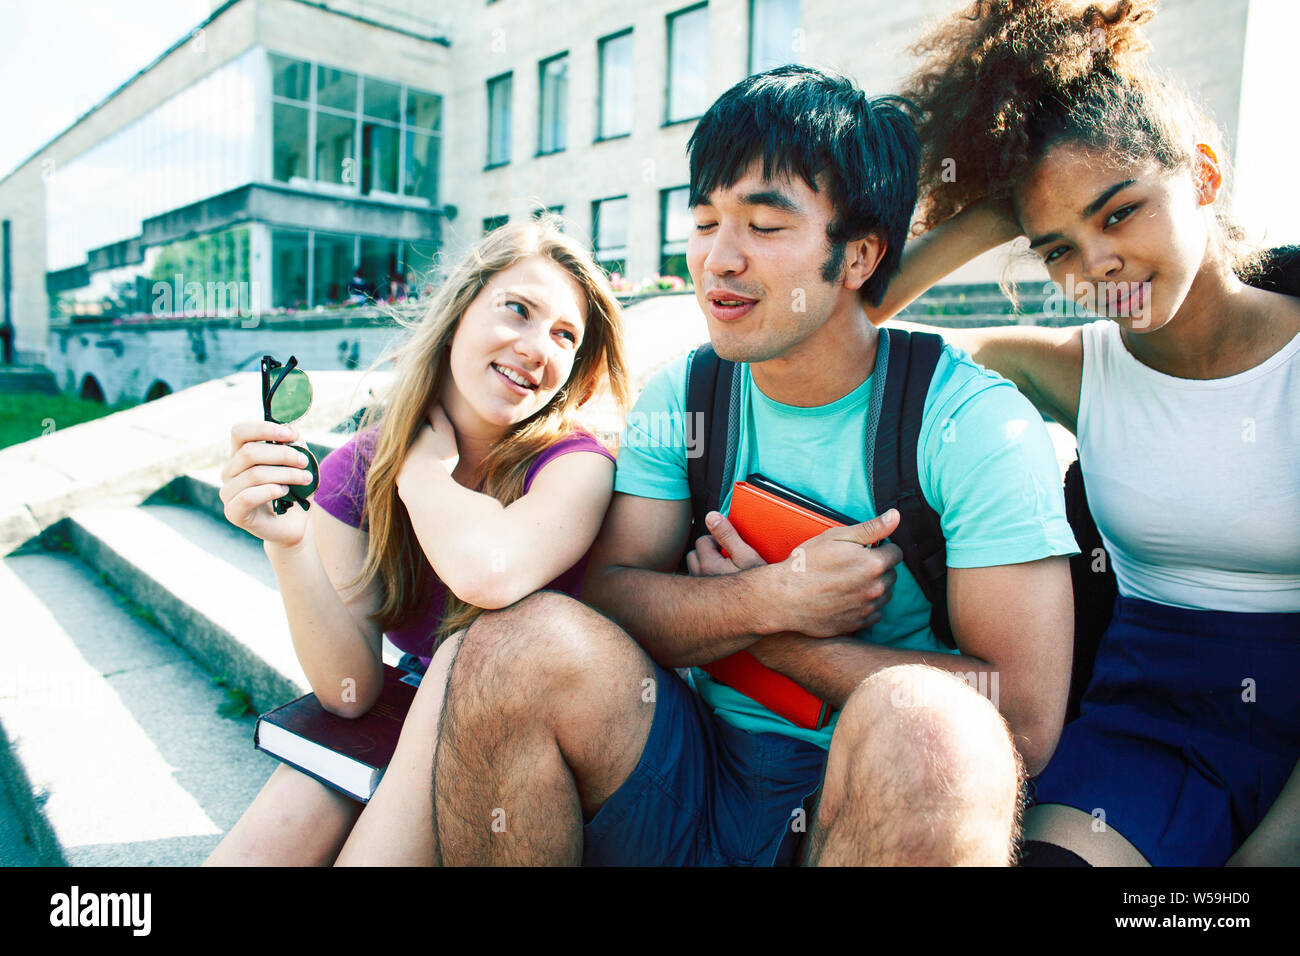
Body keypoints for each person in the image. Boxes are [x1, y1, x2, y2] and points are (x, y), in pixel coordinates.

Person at [426, 66, 1080, 867]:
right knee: (513, 644)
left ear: (859, 256)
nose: (718, 260)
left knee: (933, 729)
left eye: (764, 228)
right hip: (690, 771)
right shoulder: (684, 394)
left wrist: (778, 641)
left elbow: (1026, 719)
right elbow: (612, 592)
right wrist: (773, 597)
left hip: (864, 800)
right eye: (704, 222)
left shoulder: (971, 424)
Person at [875, 0, 1300, 866]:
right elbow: (865, 329)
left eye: (1118, 213)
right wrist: (996, 213)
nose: (1095, 266)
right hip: (1146, 730)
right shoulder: (1073, 366)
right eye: (1057, 249)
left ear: (1205, 175)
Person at [204, 218, 629, 866]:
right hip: (412, 703)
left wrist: (423, 470)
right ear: (460, 309)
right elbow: (348, 692)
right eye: (518, 309)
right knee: (286, 820)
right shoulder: (356, 470)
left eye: (564, 334)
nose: (537, 346)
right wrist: (289, 548)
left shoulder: (576, 465)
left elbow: (486, 572)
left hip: (535, 745)